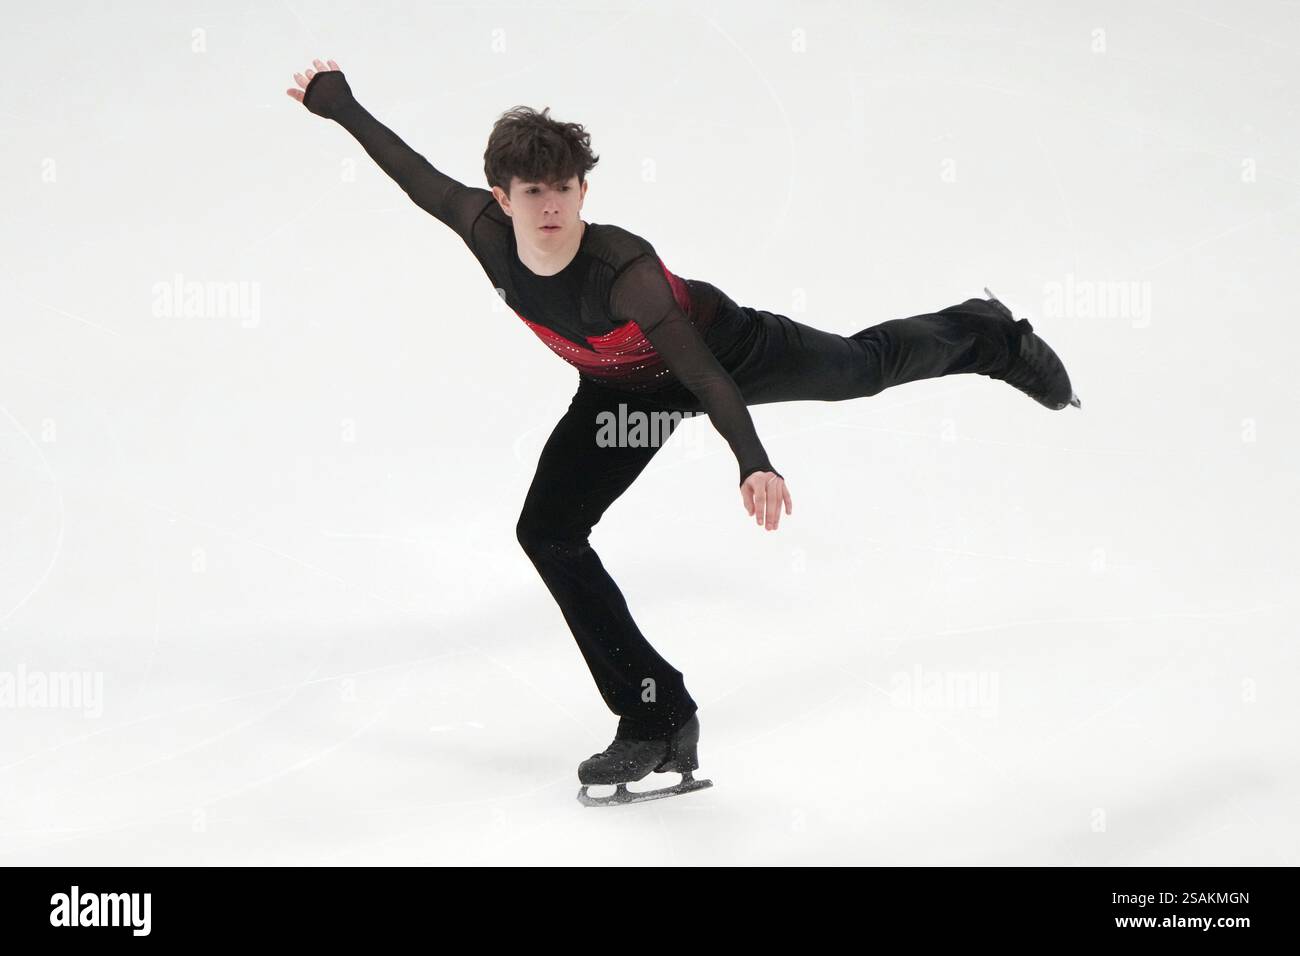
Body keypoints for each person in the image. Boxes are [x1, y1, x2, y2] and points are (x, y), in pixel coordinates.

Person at [287, 59, 1080, 805]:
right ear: (502, 197)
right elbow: (411, 171)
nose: (552, 207)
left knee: (857, 371)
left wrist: (753, 462)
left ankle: (988, 335)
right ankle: (656, 716)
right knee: (549, 532)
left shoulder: (623, 270)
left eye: (565, 188)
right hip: (624, 393)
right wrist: (337, 103)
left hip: (728, 352)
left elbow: (703, 378)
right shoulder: (482, 230)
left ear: (584, 189)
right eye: (534, 192)